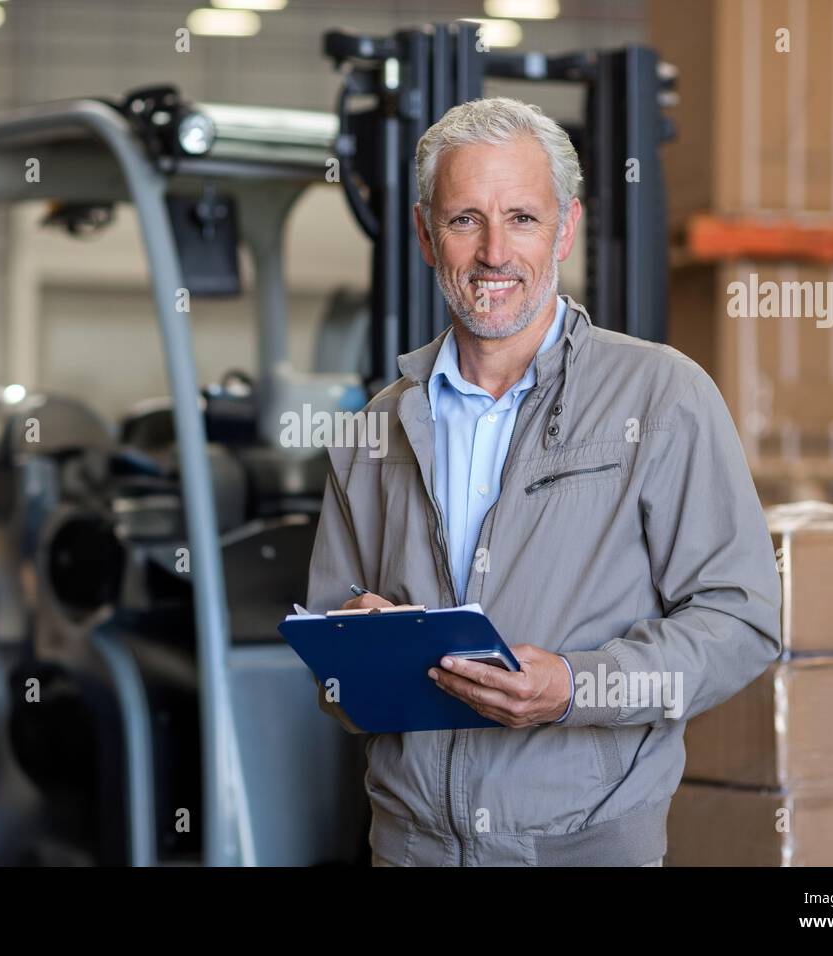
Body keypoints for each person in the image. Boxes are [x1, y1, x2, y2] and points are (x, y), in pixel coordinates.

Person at [306, 97, 782, 867]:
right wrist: (357, 648)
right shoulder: (377, 428)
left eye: (522, 218)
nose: (495, 251)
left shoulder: (661, 397)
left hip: (584, 847)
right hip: (411, 849)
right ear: (427, 237)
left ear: (565, 229)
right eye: (465, 219)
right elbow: (331, 669)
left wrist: (576, 688)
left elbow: (744, 621)